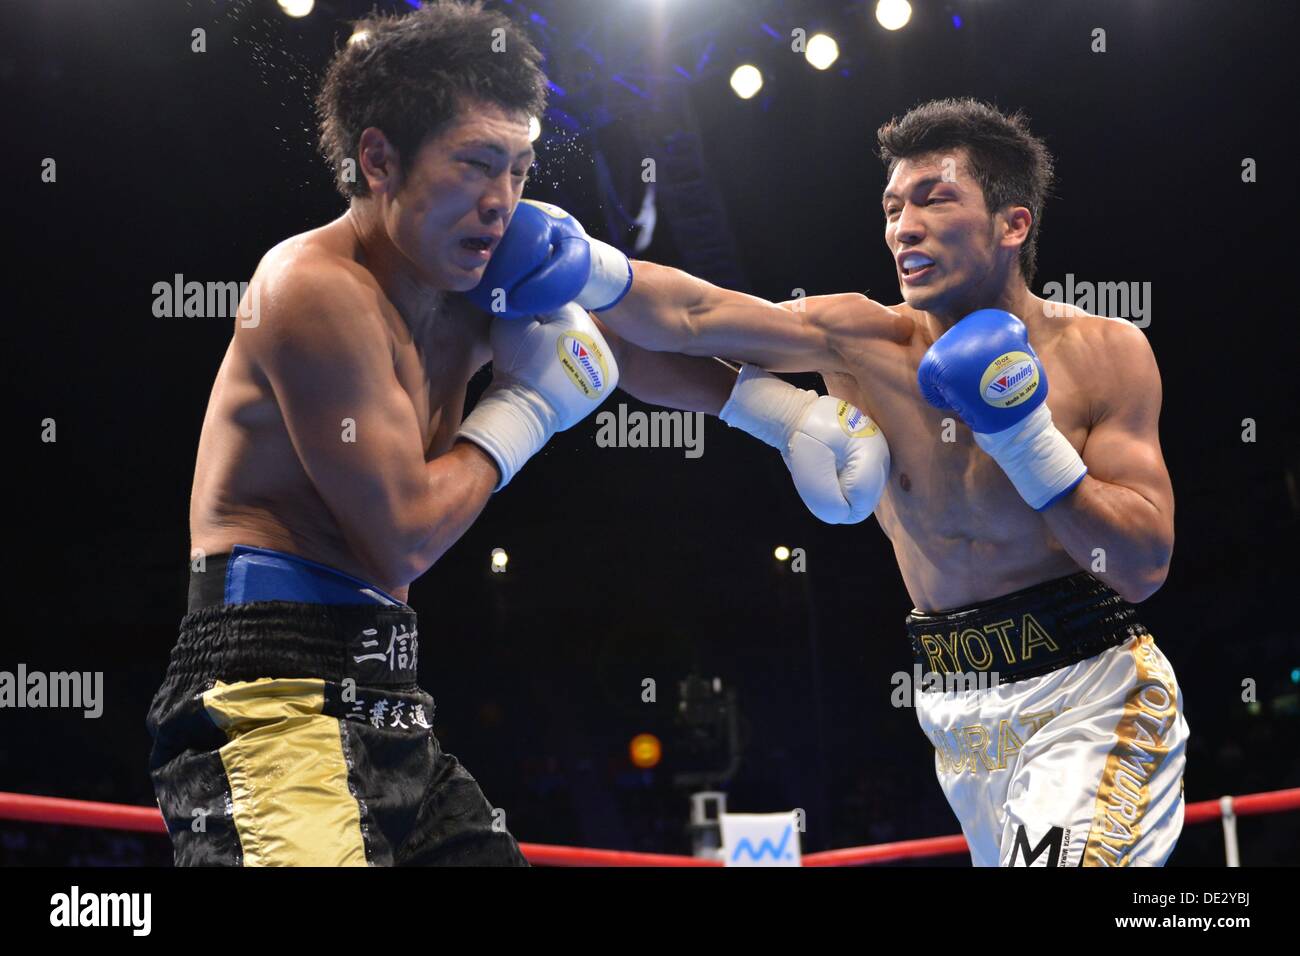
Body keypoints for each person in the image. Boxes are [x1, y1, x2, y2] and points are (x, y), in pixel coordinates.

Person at [146, 0, 886, 867]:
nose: (502, 202)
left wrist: (785, 411)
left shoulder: (472, 269)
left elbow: (659, 321)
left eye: (520, 169)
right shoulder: (313, 291)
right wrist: (525, 410)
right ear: (378, 158)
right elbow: (399, 539)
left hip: (387, 686)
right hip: (265, 691)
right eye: (476, 164)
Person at [484, 98, 1187, 866]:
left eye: (934, 198)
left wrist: (1027, 438)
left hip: (1093, 691)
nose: (903, 227)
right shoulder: (862, 340)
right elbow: (685, 318)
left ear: (1012, 225)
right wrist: (592, 270)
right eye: (892, 207)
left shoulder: (1104, 352)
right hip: (956, 710)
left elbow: (1144, 566)